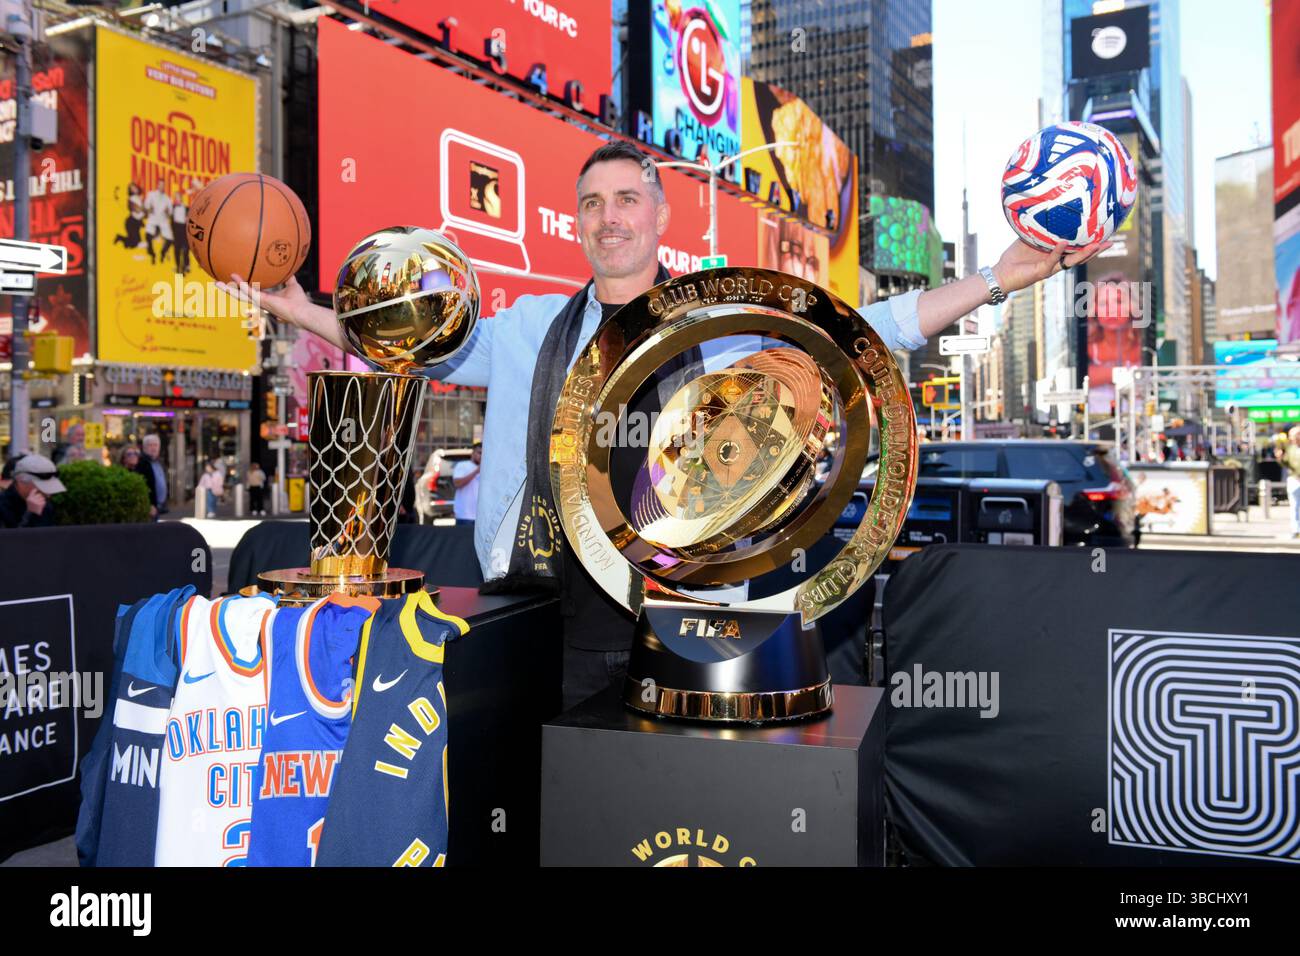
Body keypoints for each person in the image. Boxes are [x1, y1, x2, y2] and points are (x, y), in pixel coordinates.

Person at [224, 140, 1109, 709]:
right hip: (530, 601)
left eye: (626, 200)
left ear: (658, 214)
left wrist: (995, 281)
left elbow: (864, 328)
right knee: (524, 800)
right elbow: (409, 344)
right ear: (577, 222)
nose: (609, 219)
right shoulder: (532, 327)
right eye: (592, 204)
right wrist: (300, 308)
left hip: (672, 607)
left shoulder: (719, 318)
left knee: (636, 810)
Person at [0, 453, 64, 528]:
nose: (48, 494)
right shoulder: (2, 505)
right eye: (41, 488)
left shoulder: (45, 504)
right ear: (21, 480)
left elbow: (50, 536)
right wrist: (31, 514)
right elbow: (10, 539)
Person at [134, 433, 168, 519]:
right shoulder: (141, 463)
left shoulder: (159, 462)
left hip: (159, 507)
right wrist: (148, 505)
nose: (153, 448)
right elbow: (141, 486)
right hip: (149, 508)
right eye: (150, 445)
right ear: (144, 447)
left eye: (156, 445)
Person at [1278, 425, 1300, 539]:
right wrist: (1280, 458)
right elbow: (1286, 463)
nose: (1292, 438)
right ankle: (1296, 530)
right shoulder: (1290, 449)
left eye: (1294, 435)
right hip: (1294, 479)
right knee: (1294, 506)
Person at [452, 443, 481, 525]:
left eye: (484, 454)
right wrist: (476, 471)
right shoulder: (462, 465)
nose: (481, 456)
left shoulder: (486, 468)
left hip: (480, 516)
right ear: (473, 453)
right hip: (464, 515)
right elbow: (457, 483)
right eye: (479, 453)